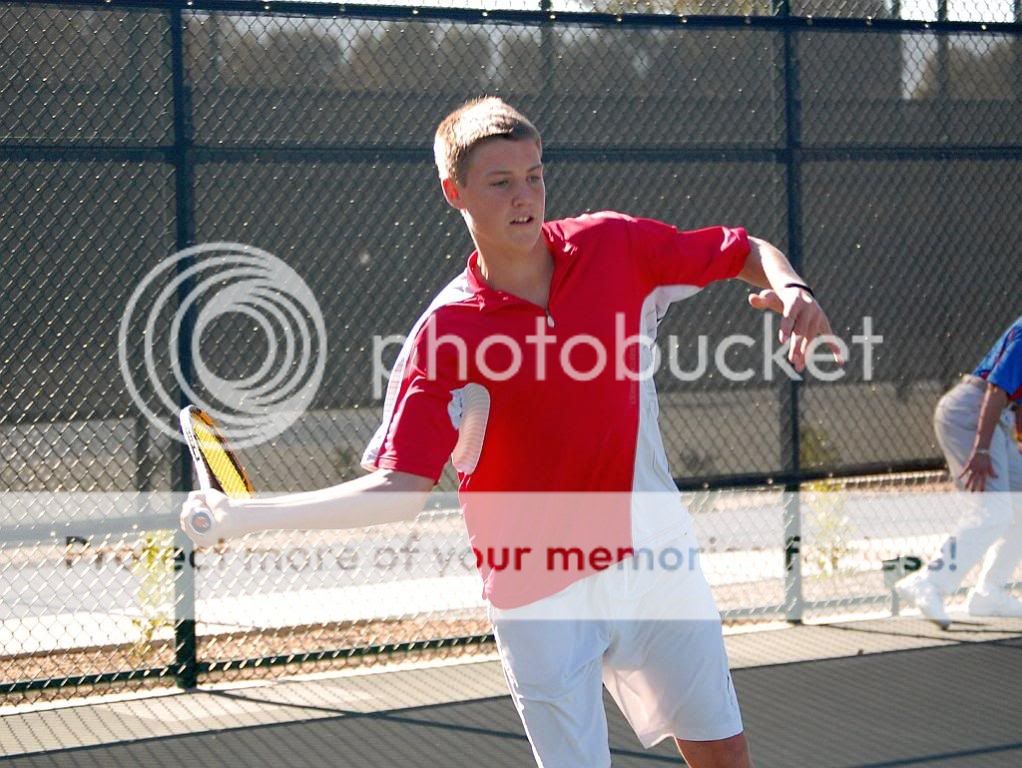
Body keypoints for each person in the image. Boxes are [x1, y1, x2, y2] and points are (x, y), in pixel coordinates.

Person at [180, 97, 842, 768]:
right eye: (501, 182)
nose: (525, 197)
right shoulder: (444, 334)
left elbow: (743, 251)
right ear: (455, 192)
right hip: (538, 595)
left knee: (726, 760)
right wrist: (245, 515)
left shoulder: (614, 246)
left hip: (654, 559)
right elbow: (399, 487)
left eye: (535, 175)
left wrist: (791, 289)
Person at [896, 317, 1022, 629]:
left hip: (998, 418)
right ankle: (929, 580)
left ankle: (989, 593)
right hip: (972, 413)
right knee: (993, 511)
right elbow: (996, 388)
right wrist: (980, 449)